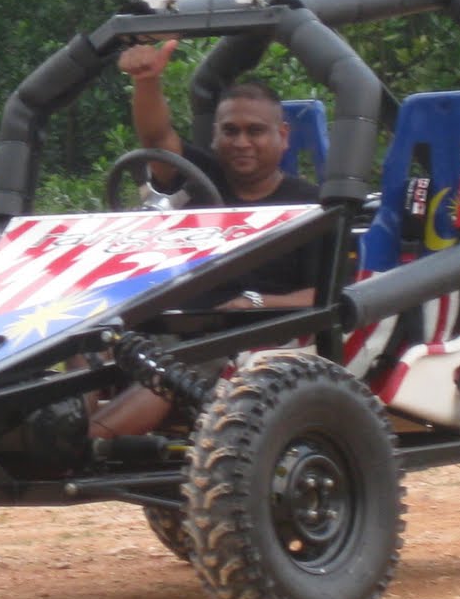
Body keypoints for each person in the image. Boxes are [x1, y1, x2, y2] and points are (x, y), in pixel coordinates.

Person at [89, 39, 323, 440]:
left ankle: (86, 442)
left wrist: (256, 302)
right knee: (80, 335)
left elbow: (327, 295)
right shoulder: (200, 177)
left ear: (283, 136)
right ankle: (54, 424)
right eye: (230, 131)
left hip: (240, 340)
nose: (242, 142)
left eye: (256, 131)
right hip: (170, 320)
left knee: (172, 366)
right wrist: (147, 80)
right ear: (215, 135)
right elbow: (157, 138)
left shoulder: (310, 205)